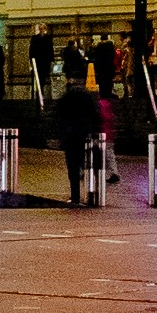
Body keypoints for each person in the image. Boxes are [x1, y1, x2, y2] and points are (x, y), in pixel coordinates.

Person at [49, 71, 110, 211]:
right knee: (86, 164)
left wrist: (58, 134)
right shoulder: (87, 97)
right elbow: (95, 115)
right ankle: (92, 194)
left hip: (69, 135)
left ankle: (75, 196)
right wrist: (95, 132)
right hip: (84, 135)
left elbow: (57, 116)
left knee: (72, 166)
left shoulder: (66, 97)